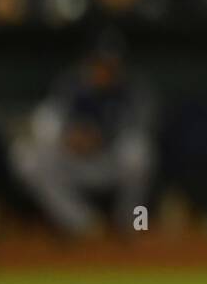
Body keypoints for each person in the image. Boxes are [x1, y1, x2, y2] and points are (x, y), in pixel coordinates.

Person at [13, 36, 154, 236]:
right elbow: (43, 124)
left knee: (139, 152)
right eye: (99, 64)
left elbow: (144, 125)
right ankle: (82, 224)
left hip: (108, 161)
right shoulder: (68, 86)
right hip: (72, 161)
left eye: (110, 66)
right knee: (26, 158)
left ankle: (131, 224)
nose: (103, 71)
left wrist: (103, 135)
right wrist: (68, 136)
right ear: (87, 63)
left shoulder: (133, 89)